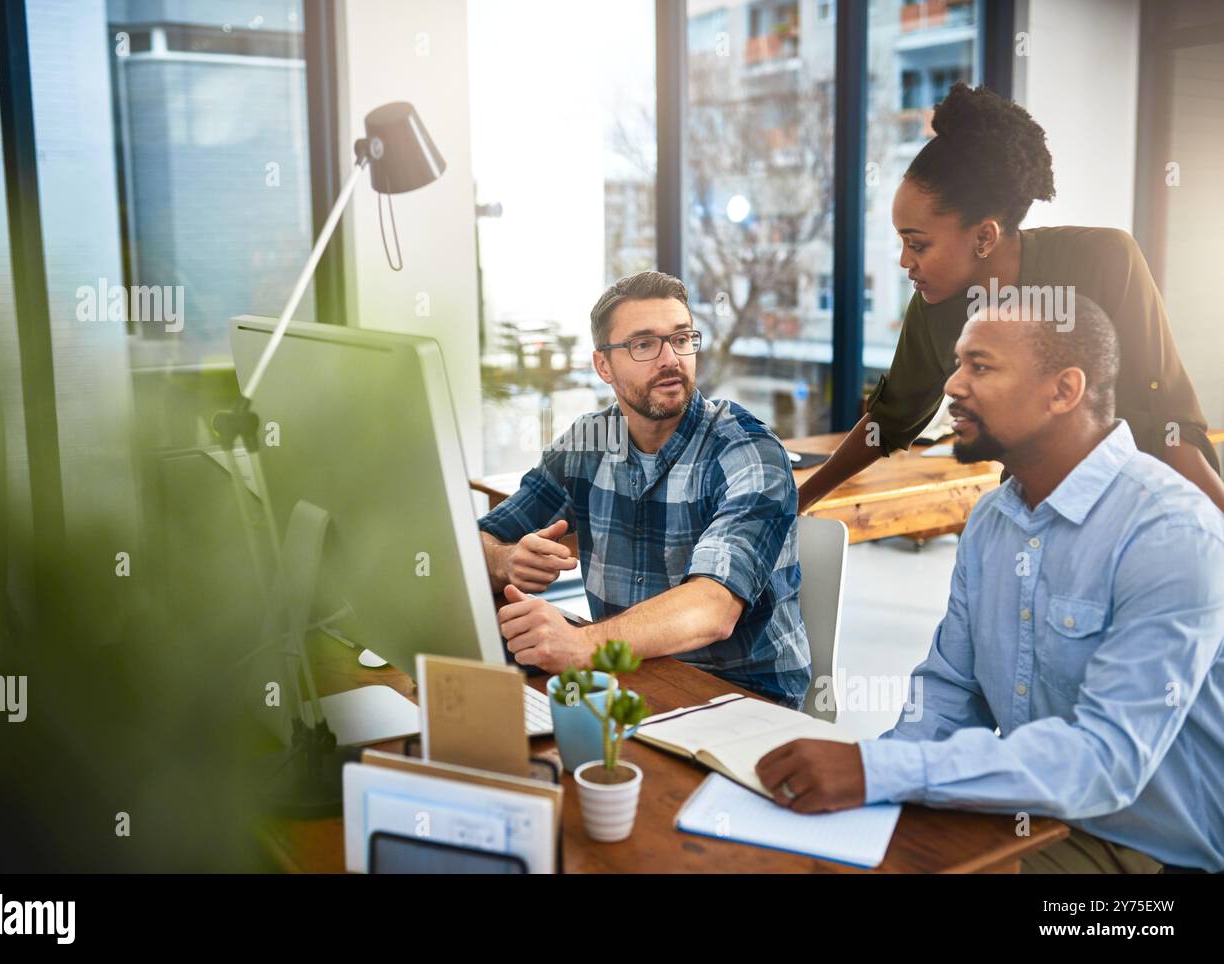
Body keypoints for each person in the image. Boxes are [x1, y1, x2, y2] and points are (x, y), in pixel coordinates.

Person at [754, 297, 1224, 874]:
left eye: (980, 366)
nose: (952, 385)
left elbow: (1107, 761)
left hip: (1151, 854)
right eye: (957, 363)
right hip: (1023, 815)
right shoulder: (993, 518)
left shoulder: (1170, 531)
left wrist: (880, 773)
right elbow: (951, 692)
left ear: (1063, 391)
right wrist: (875, 783)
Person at [797, 83, 1224, 514]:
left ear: (984, 236)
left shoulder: (1106, 261)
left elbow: (1171, 423)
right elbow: (888, 423)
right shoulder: (933, 308)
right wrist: (800, 500)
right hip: (1032, 512)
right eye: (902, 243)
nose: (905, 261)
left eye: (919, 245)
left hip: (1146, 506)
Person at [477, 270, 811, 707]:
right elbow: (475, 542)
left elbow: (714, 608)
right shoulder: (587, 443)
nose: (670, 358)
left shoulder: (747, 449)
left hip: (743, 699)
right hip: (627, 680)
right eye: (644, 344)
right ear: (604, 366)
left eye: (681, 338)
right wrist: (504, 560)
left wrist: (582, 646)